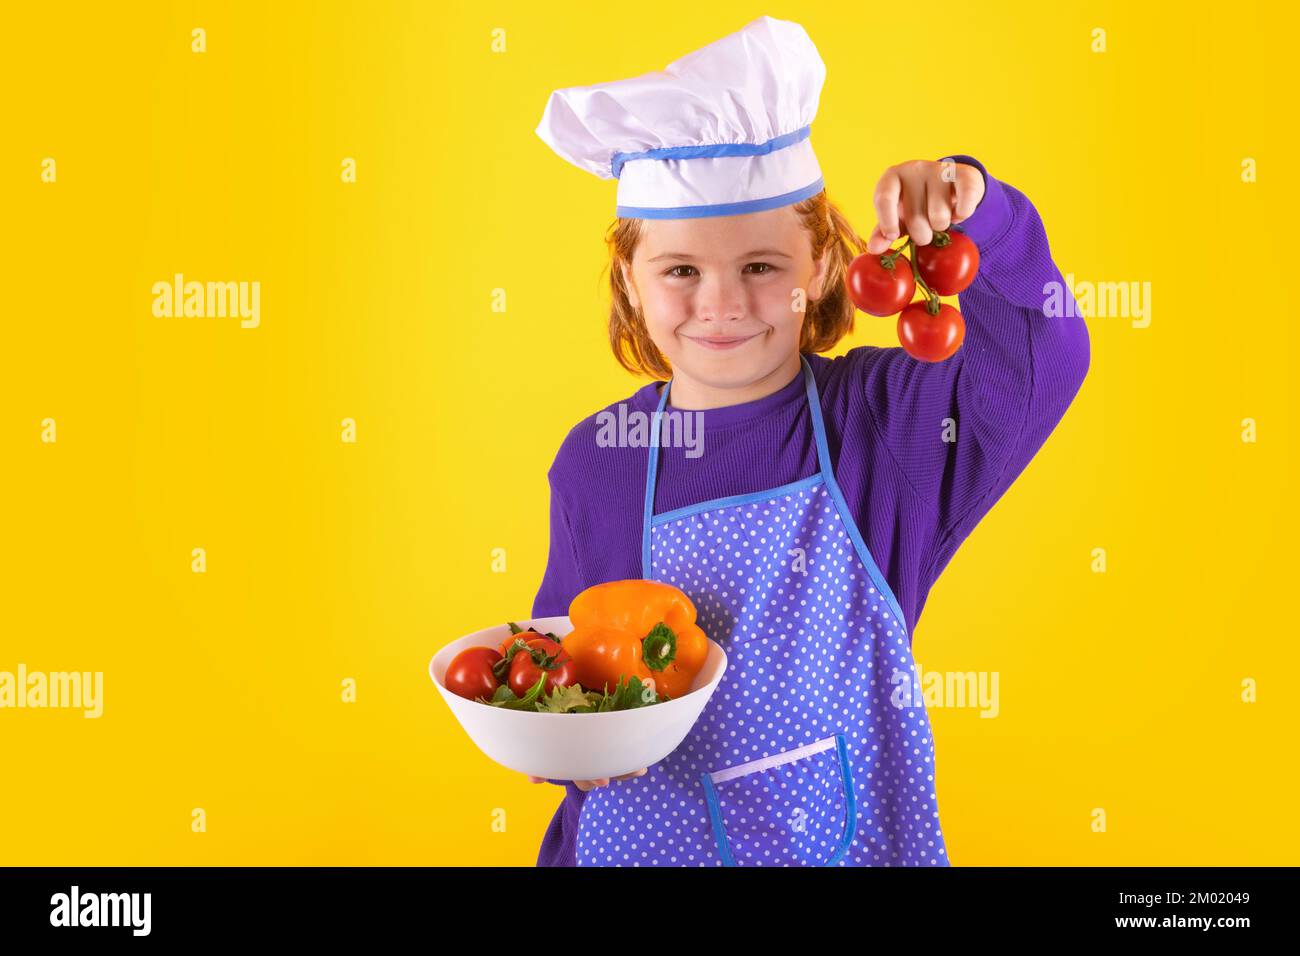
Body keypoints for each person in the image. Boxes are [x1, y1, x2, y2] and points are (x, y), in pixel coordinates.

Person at [525, 15, 1089, 866]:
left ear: (822, 264)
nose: (721, 305)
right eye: (680, 270)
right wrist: (558, 740)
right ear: (630, 282)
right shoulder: (598, 458)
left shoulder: (885, 427)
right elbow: (562, 666)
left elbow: (1045, 353)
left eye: (761, 266)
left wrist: (978, 212)